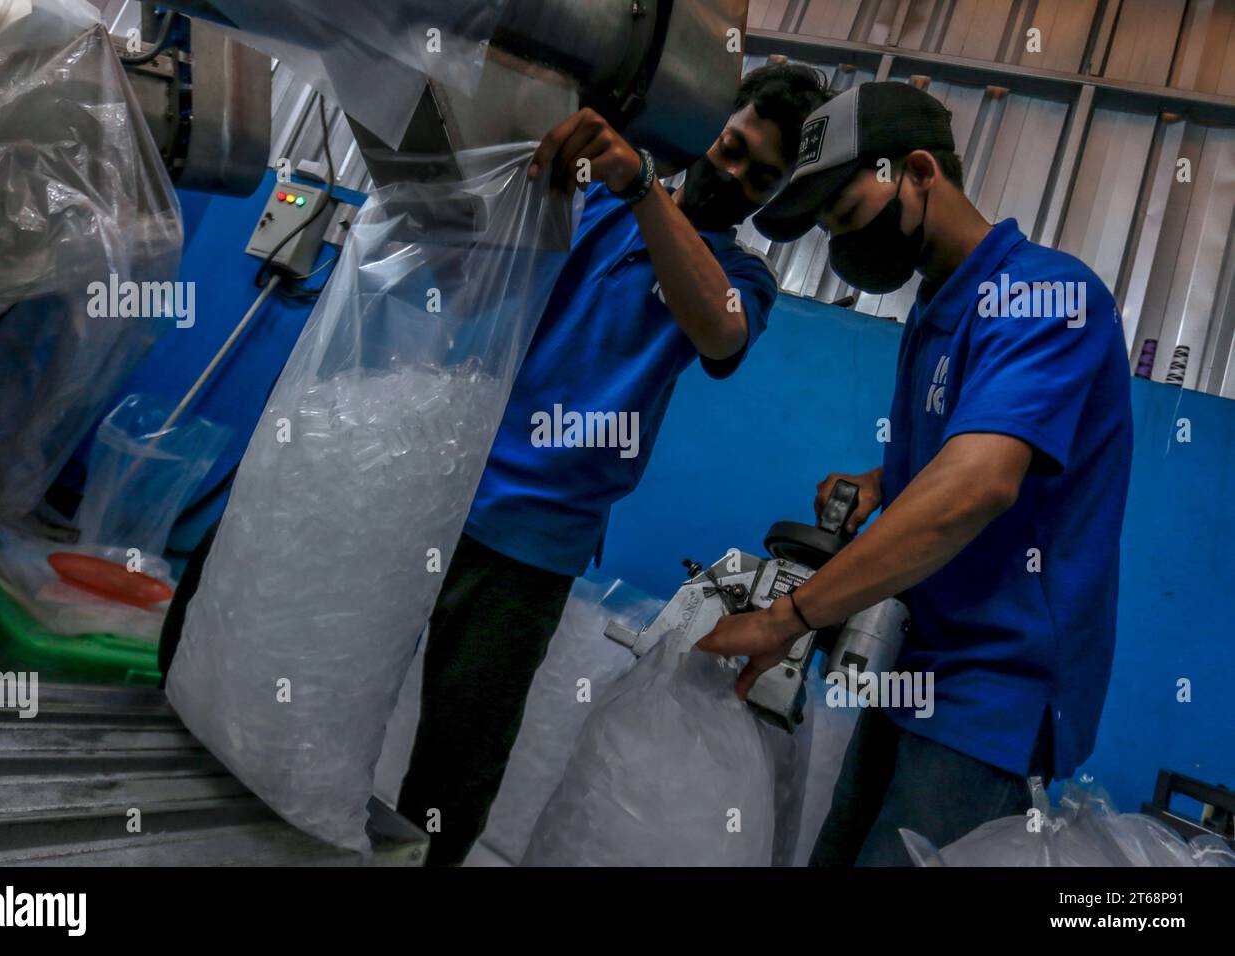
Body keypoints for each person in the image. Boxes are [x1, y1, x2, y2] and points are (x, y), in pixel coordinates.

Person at [395, 63, 832, 866]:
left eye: (759, 177)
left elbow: (721, 334)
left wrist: (643, 191)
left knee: (459, 747)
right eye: (730, 148)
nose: (733, 177)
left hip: (532, 541)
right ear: (711, 128)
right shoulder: (593, 200)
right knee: (346, 658)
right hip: (432, 480)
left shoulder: (738, 277)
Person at [699, 81, 1133, 865]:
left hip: (994, 692)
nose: (842, 247)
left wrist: (787, 618)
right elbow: (969, 456)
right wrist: (885, 481)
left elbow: (976, 486)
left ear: (921, 172)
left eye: (846, 216)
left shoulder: (1046, 296)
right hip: (918, 664)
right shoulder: (941, 310)